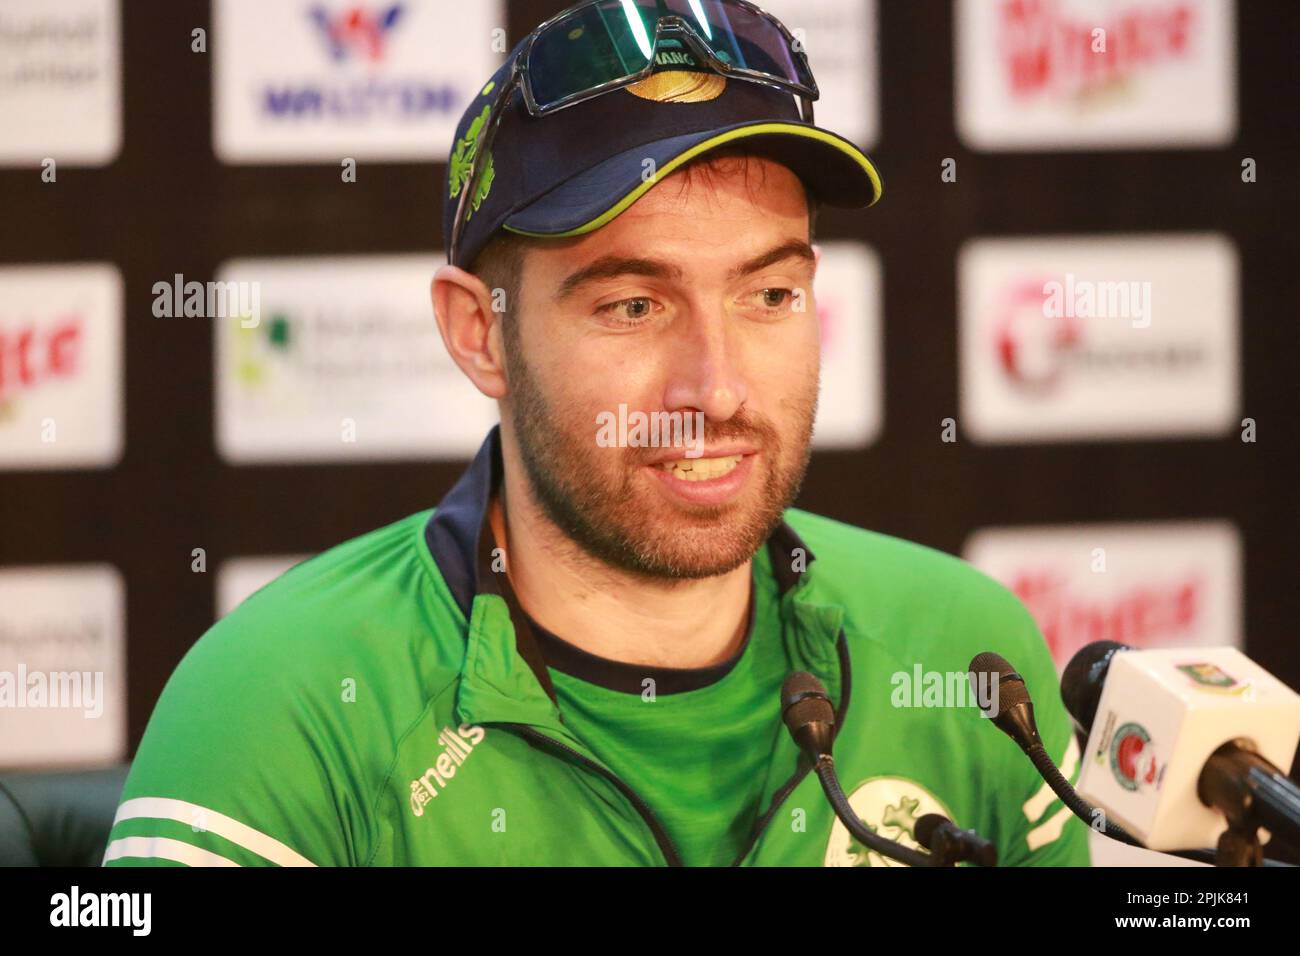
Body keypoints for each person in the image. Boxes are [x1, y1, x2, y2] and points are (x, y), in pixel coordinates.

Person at [104, 0, 1088, 867]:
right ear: (479, 333)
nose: (717, 384)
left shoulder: (969, 657)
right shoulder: (280, 709)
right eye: (632, 306)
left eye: (770, 293)